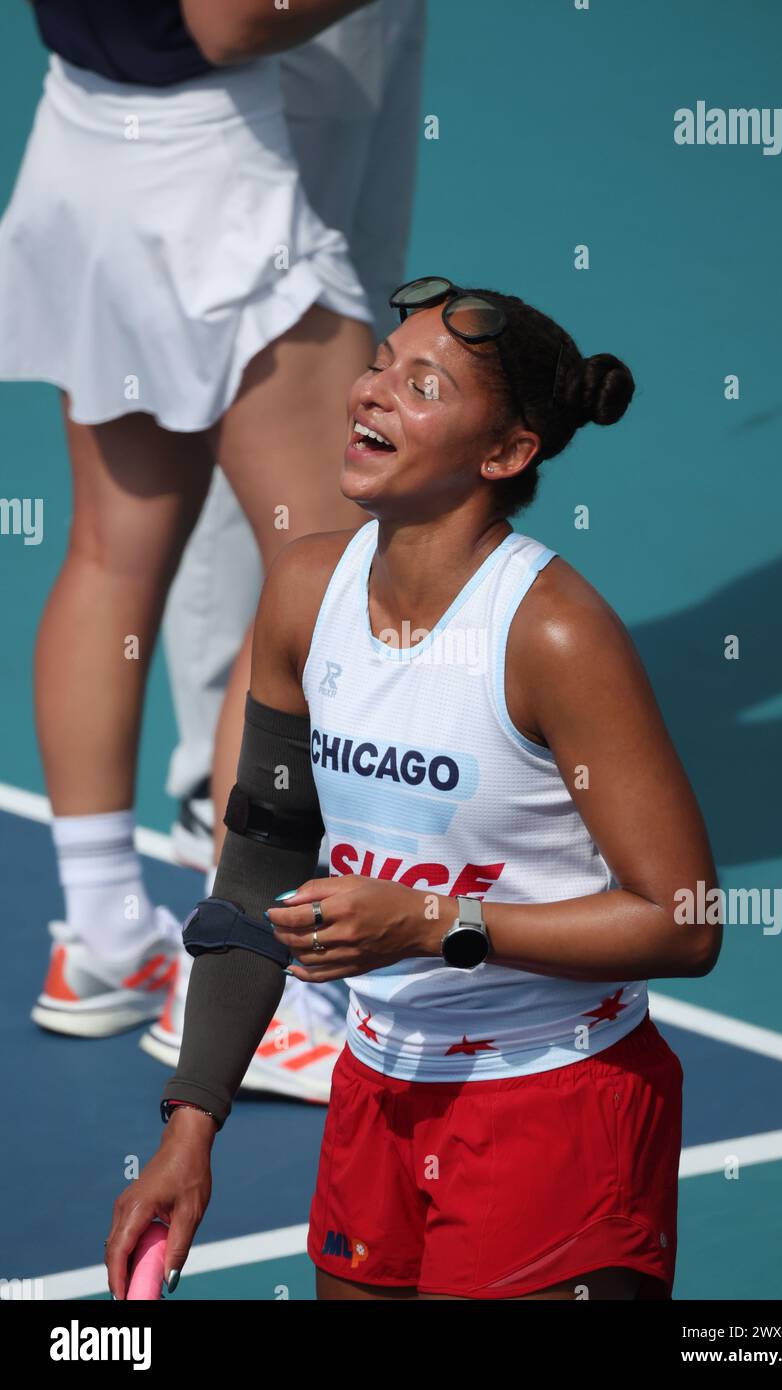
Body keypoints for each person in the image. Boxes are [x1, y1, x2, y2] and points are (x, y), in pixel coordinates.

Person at [105, 276, 722, 1301]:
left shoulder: (552, 634)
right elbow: (259, 864)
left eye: (421, 383)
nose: (370, 393)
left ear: (505, 453)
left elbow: (684, 922)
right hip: (378, 1096)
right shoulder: (305, 591)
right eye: (380, 365)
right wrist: (191, 1119)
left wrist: (436, 925)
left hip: (556, 1108)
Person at [0, 0, 381, 1036]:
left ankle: (106, 940)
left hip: (81, 142)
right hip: (207, 182)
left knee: (110, 553)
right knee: (323, 573)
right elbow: (235, 19)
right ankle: (254, 997)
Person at [147, 0, 427, 1103]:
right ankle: (238, 931)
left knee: (325, 366)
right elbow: (227, 26)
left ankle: (220, 849)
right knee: (308, 463)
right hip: (278, 36)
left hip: (354, 26)